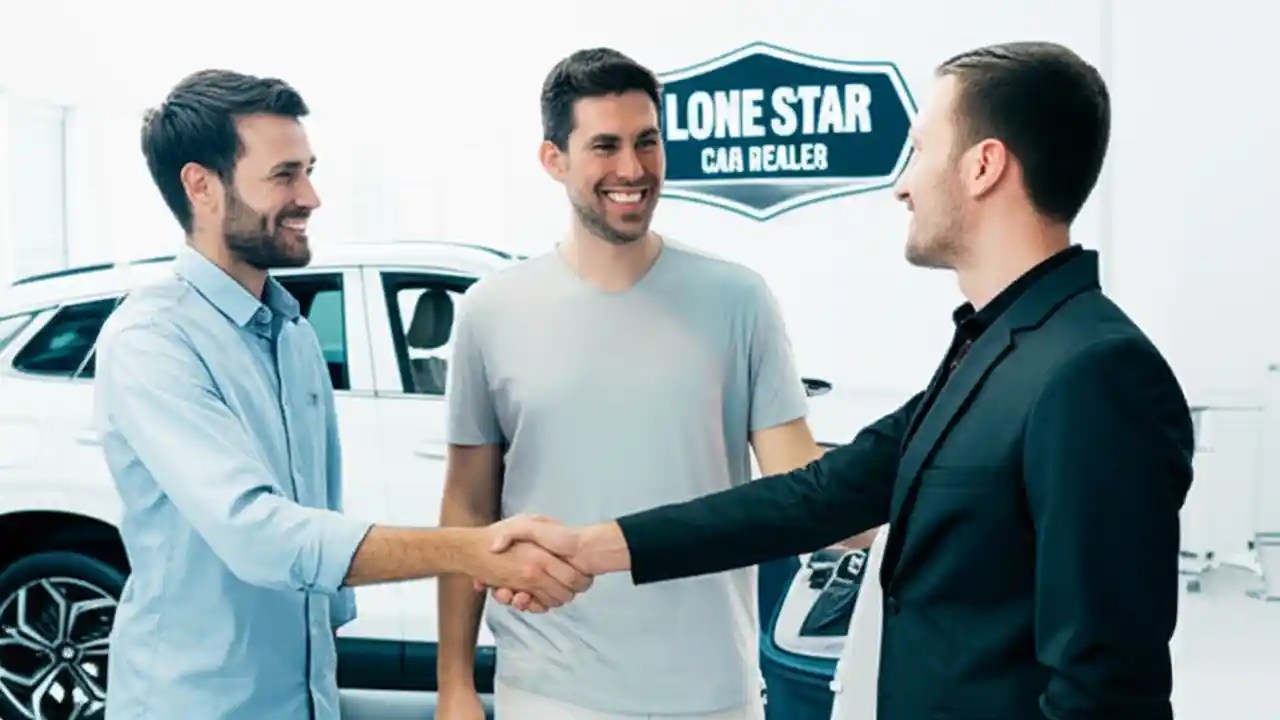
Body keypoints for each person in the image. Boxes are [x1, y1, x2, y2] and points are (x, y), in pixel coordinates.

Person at [487, 41, 1196, 720]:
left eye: (918, 151)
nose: (902, 186)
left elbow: (1106, 690)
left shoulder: (1093, 372)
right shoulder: (994, 351)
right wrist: (589, 548)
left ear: (983, 167)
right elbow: (814, 498)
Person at [92, 69, 590, 720]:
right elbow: (262, 538)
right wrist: (476, 550)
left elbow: (314, 536)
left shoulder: (292, 333)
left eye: (309, 169)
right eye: (285, 174)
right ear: (201, 186)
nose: (312, 196)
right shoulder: (150, 341)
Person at [435, 47, 845, 720]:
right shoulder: (491, 310)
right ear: (553, 160)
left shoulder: (738, 299)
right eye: (605, 146)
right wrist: (454, 684)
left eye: (646, 142)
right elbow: (467, 506)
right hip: (550, 689)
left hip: (712, 689)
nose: (632, 169)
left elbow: (800, 484)